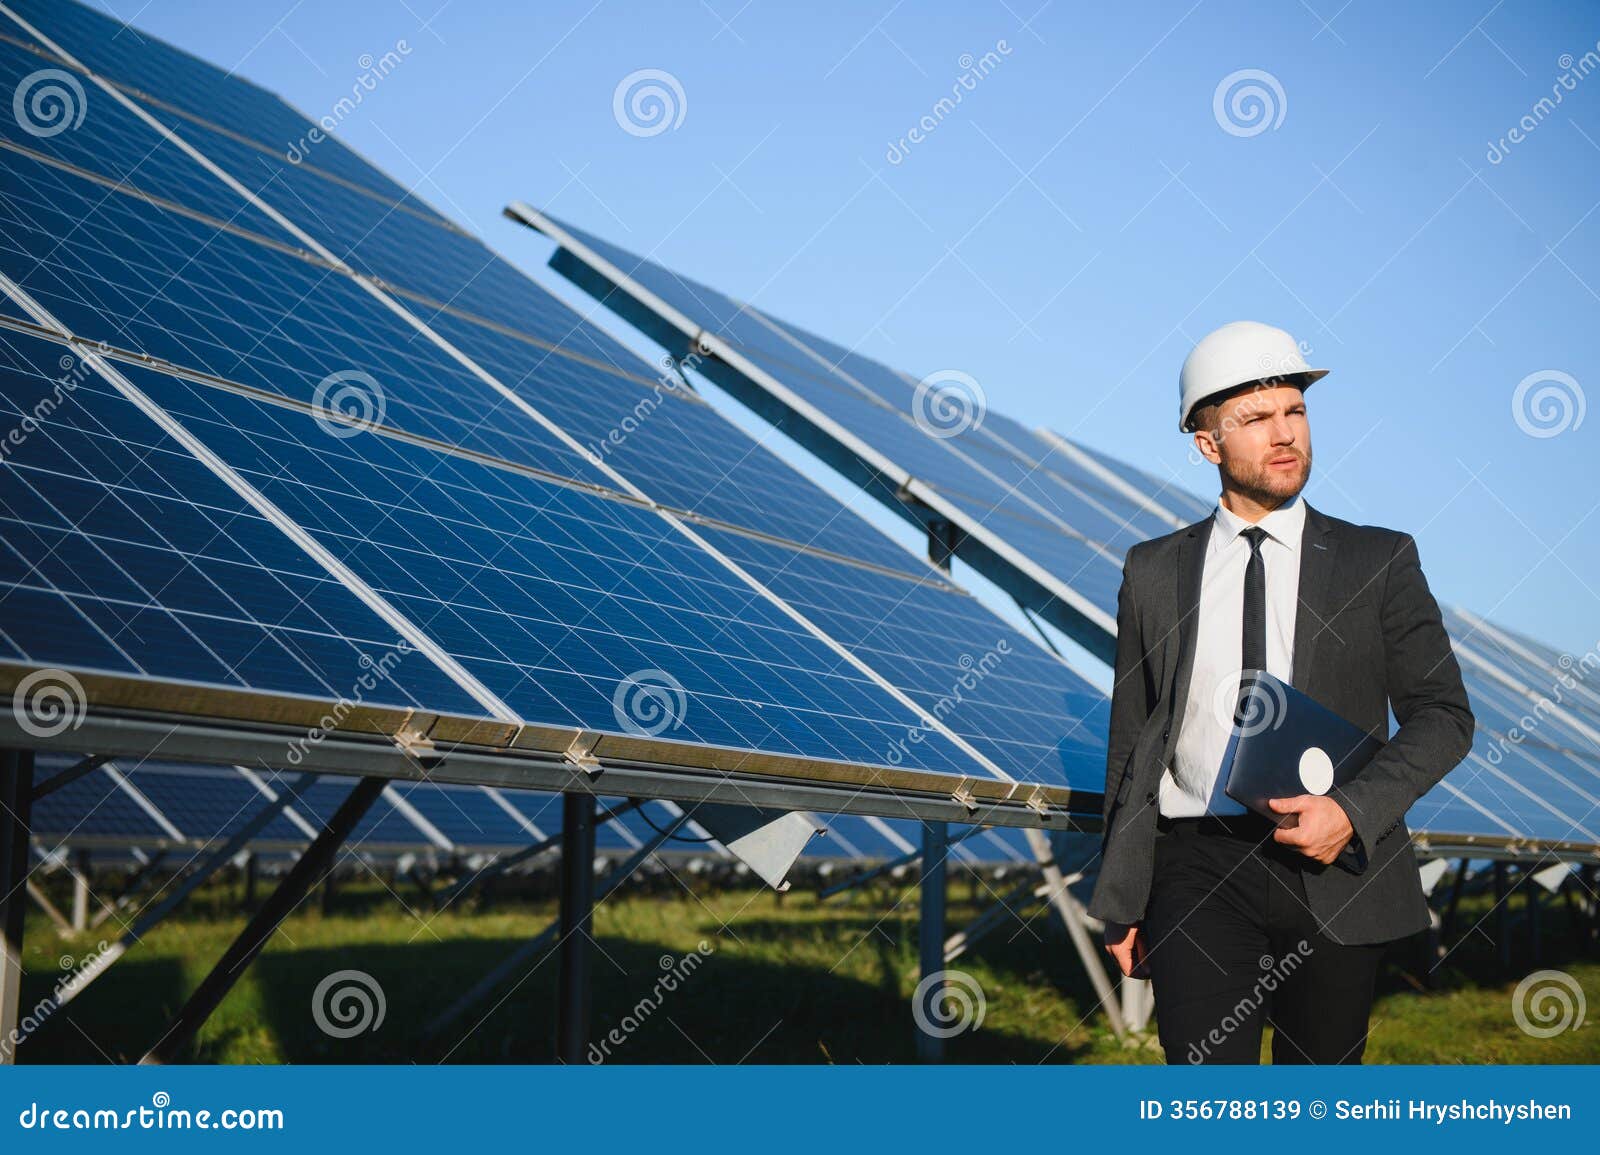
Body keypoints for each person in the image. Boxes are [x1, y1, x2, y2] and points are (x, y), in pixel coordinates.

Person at [1086, 320, 1474, 1064]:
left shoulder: (1378, 559)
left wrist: (1351, 812)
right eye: (1257, 419)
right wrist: (1123, 893)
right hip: (1196, 868)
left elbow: (1445, 716)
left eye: (1295, 410)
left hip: (1330, 863)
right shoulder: (1153, 572)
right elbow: (1132, 741)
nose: (1285, 433)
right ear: (1208, 443)